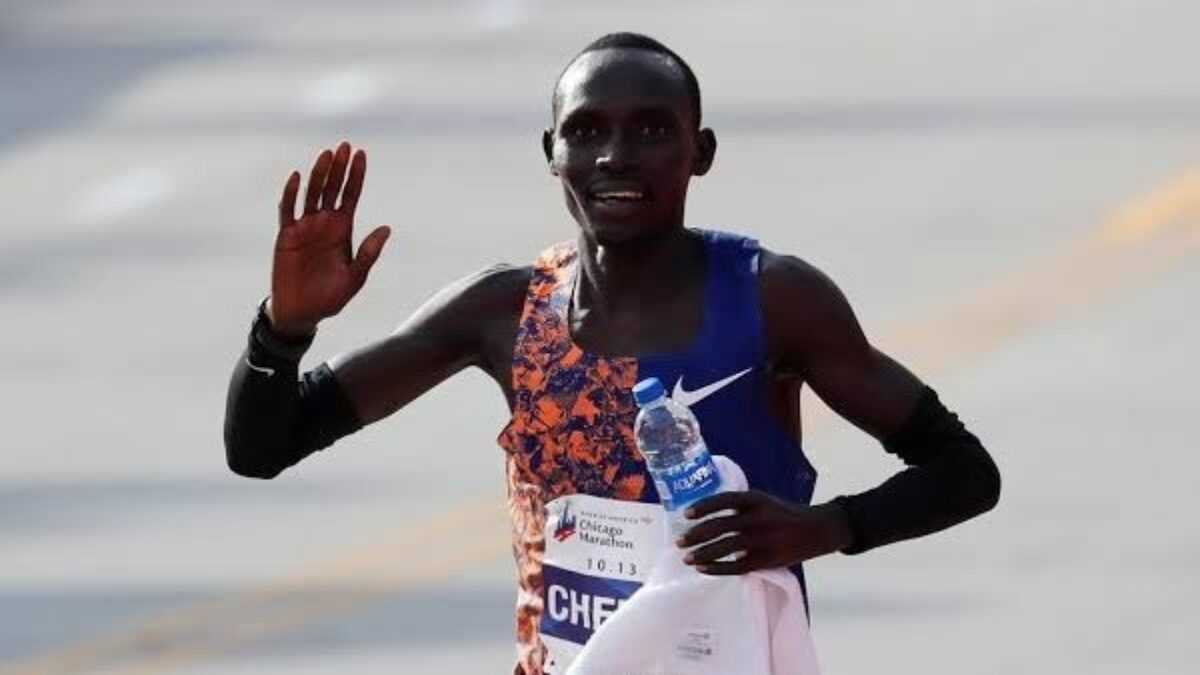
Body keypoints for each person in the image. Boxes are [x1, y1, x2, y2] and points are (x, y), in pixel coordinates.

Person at [224, 32, 1001, 675]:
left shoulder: (772, 299)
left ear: (701, 151)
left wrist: (827, 526)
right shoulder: (503, 312)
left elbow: (964, 470)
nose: (615, 156)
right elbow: (265, 445)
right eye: (586, 131)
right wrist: (283, 331)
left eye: (651, 130)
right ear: (551, 151)